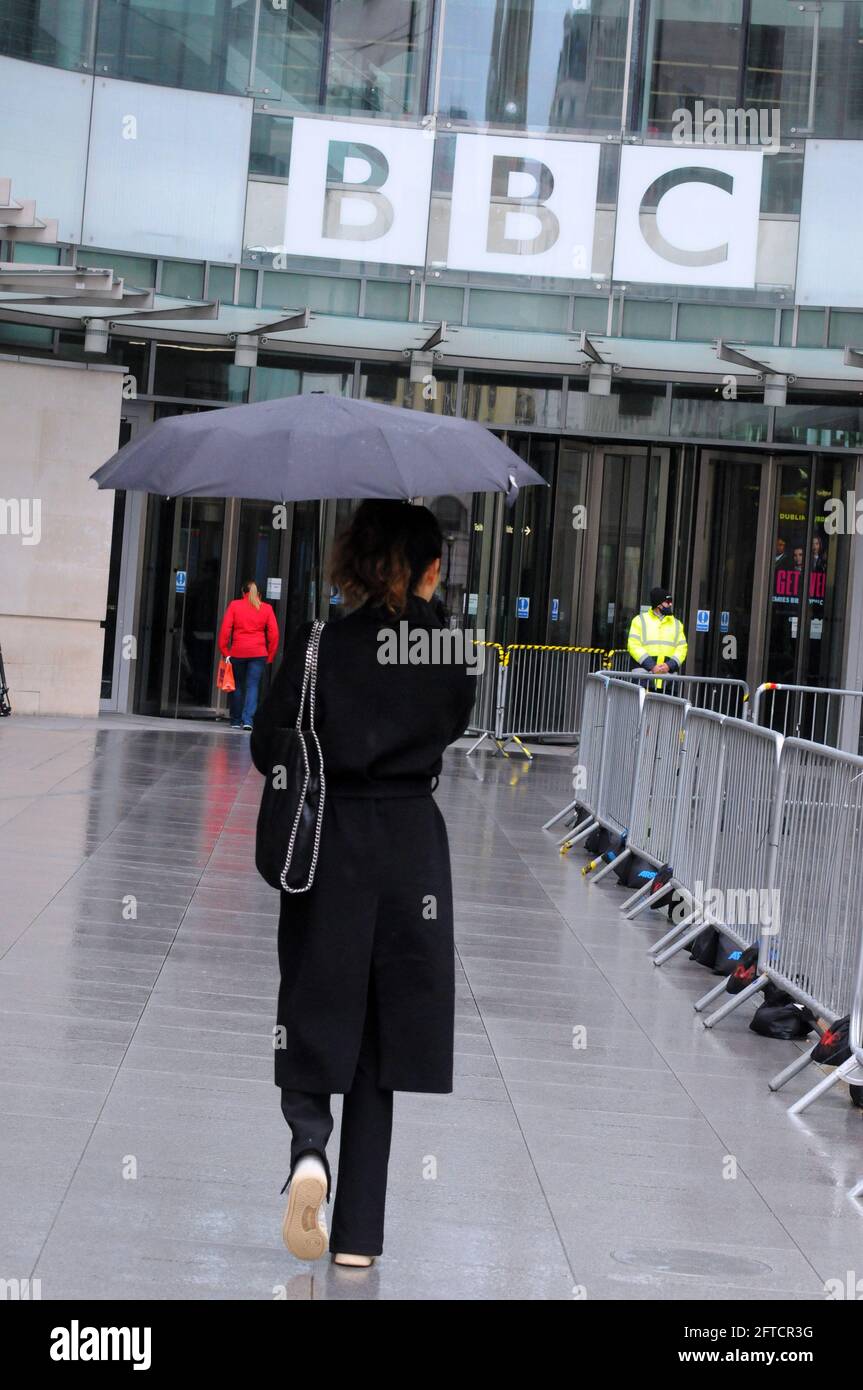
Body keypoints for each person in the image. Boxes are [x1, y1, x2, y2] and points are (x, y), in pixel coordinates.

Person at [250, 501, 475, 1268]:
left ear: (352, 560)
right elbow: (448, 725)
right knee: (382, 1039)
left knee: (312, 1003)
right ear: (422, 566)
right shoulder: (448, 651)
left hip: (328, 845)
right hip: (412, 847)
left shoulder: (317, 644)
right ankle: (357, 1242)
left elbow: (265, 746)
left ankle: (310, 1149)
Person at [218, 580, 279, 729]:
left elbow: (225, 630)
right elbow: (274, 634)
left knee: (237, 685)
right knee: (253, 686)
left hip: (238, 652)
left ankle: (235, 720)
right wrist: (270, 655)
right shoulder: (266, 608)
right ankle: (248, 721)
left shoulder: (235, 605)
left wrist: (225, 650)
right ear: (259, 594)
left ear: (242, 592)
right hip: (259, 653)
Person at [627, 585, 688, 688]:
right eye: (667, 602)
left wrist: (669, 665)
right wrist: (652, 666)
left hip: (668, 680)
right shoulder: (639, 620)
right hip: (643, 678)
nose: (670, 604)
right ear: (658, 604)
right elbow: (633, 645)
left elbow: (682, 648)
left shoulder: (677, 624)